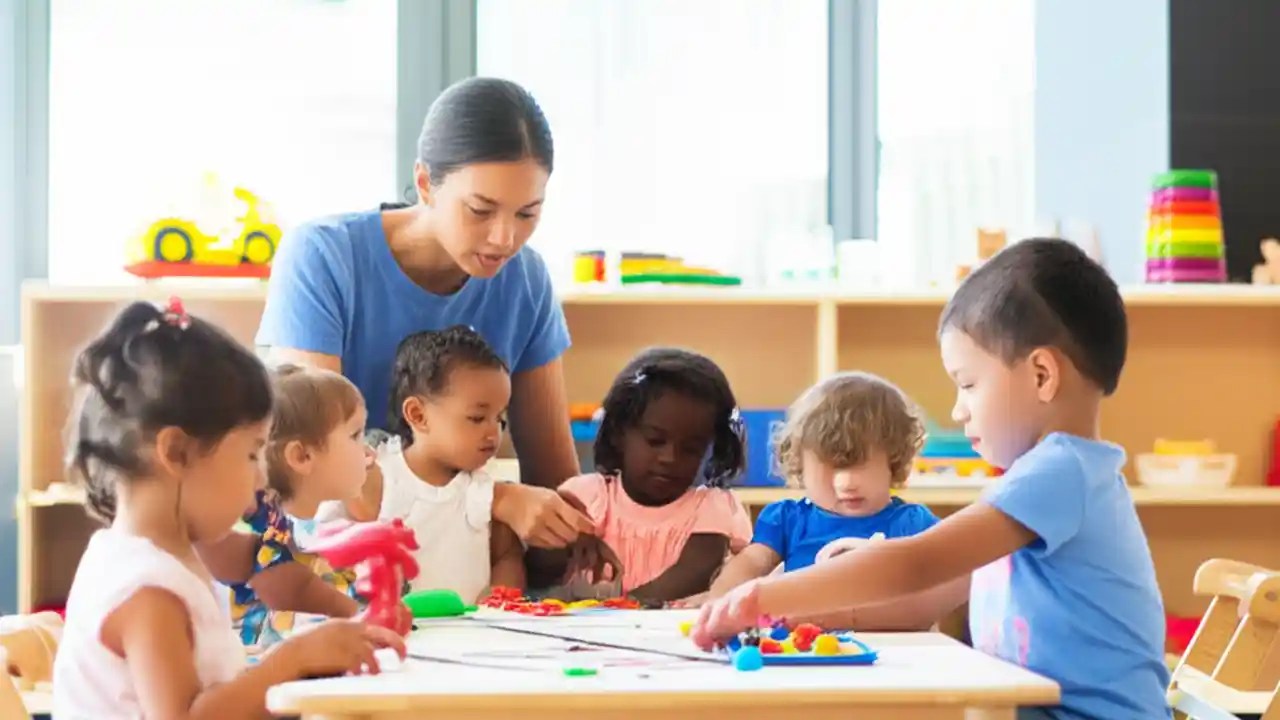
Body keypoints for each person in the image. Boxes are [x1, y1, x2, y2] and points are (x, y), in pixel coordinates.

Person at [691, 238, 1171, 720]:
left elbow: (918, 565)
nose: (959, 410)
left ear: (1042, 375)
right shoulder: (1060, 477)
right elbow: (939, 584)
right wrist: (860, 566)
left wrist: (761, 598)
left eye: (968, 384)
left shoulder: (1059, 472)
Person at [255, 76, 592, 551]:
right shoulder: (322, 257)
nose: (504, 239)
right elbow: (324, 471)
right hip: (331, 561)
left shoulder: (526, 280)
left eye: (527, 214)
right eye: (480, 210)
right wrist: (496, 498)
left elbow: (554, 477)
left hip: (458, 559)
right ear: (424, 184)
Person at [52, 299, 404, 720]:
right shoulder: (147, 591)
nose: (261, 478)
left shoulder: (160, 558)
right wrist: (292, 661)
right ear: (177, 453)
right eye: (252, 454)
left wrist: (315, 665)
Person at [702, 372, 946, 629]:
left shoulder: (913, 522)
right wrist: (719, 600)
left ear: (893, 462)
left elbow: (943, 583)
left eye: (861, 465)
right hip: (804, 643)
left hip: (893, 646)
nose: (846, 483)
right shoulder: (787, 518)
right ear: (801, 466)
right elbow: (752, 561)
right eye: (830, 467)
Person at [529, 348, 753, 606]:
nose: (670, 457)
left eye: (691, 449)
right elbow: (538, 570)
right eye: (655, 440)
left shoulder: (713, 507)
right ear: (618, 433)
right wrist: (565, 539)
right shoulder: (585, 497)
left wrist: (620, 610)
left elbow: (694, 574)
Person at [319, 326, 525, 603]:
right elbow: (326, 544)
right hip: (391, 626)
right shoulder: (378, 477)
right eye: (477, 418)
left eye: (500, 419)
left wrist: (498, 599)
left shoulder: (485, 489)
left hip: (472, 628)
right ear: (417, 415)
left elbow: (507, 555)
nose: (493, 432)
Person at [219, 364, 372, 649]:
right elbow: (298, 599)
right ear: (302, 456)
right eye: (355, 435)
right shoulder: (265, 532)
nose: (368, 451)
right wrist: (361, 609)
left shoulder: (307, 533)